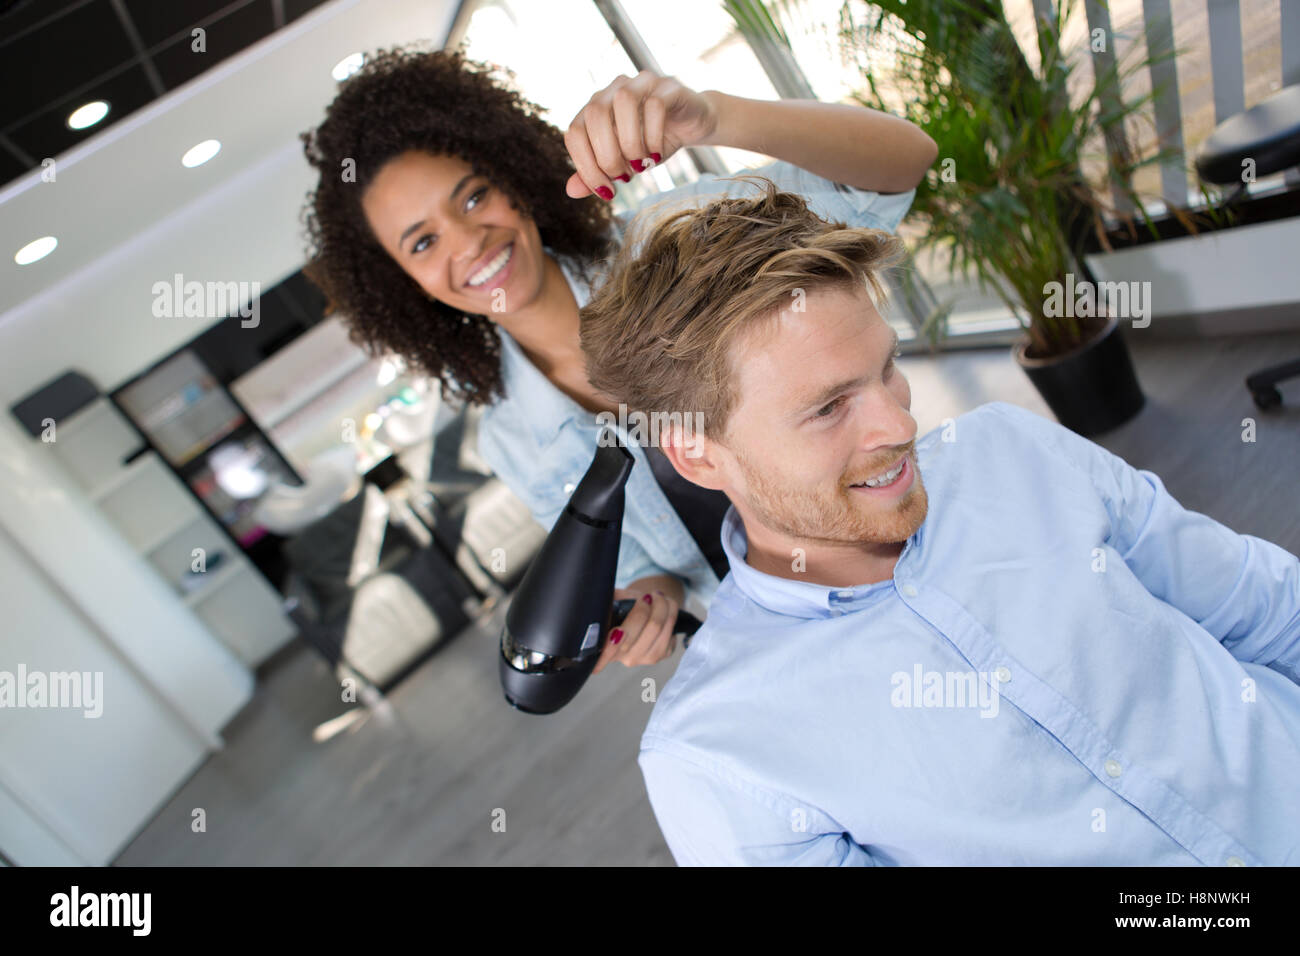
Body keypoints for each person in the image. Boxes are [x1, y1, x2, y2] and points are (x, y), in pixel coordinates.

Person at [579, 180, 1300, 865]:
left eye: (887, 368)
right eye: (830, 408)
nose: (898, 422)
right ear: (699, 457)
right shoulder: (715, 755)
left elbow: (1263, 608)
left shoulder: (1012, 449)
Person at [299, 46, 937, 675]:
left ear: (513, 181)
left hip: (911, 565)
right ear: (404, 284)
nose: (469, 242)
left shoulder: (675, 239)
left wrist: (713, 118)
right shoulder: (511, 437)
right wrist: (649, 602)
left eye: (472, 198)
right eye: (424, 241)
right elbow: (643, 571)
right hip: (775, 658)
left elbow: (902, 165)